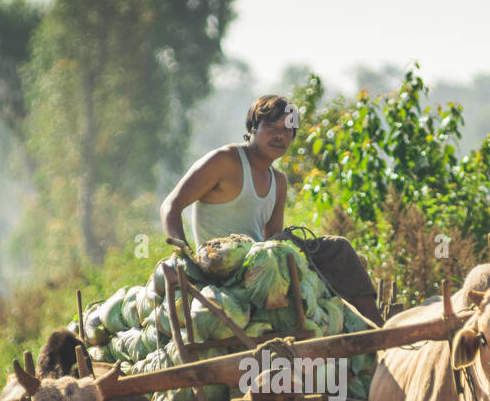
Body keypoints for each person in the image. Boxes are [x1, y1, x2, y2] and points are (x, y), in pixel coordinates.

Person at [159, 94, 384, 325]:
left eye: (287, 130)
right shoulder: (225, 161)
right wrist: (184, 259)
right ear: (253, 128)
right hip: (222, 268)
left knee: (338, 249)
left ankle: (377, 329)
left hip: (260, 265)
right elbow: (171, 206)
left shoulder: (279, 181)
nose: (280, 135)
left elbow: (273, 238)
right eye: (271, 127)